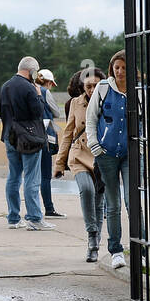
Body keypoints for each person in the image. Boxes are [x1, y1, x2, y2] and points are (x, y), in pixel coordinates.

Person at [55, 67, 107, 262]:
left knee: (99, 202)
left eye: (95, 85)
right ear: (82, 87)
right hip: (79, 156)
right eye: (88, 86)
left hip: (102, 157)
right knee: (87, 190)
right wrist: (59, 163)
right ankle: (92, 235)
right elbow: (68, 133)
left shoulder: (109, 101)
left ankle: (94, 243)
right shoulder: (75, 104)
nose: (92, 89)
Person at [86, 50, 130, 268]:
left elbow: (144, 119)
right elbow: (91, 117)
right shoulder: (103, 88)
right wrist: (95, 145)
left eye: (123, 67)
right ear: (112, 68)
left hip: (130, 155)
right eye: (116, 67)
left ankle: (139, 247)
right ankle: (116, 251)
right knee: (113, 205)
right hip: (106, 154)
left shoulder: (138, 90)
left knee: (134, 201)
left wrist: (140, 145)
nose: (120, 71)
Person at [0, 56, 52, 231]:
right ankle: (34, 218)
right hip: (29, 137)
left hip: (9, 135)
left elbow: (2, 114)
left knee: (13, 176)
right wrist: (39, 95)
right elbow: (38, 112)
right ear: (33, 71)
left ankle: (13, 218)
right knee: (32, 177)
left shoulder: (5, 86)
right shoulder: (30, 88)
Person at [35, 68, 66, 219]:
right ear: (48, 82)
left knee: (32, 175)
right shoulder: (45, 92)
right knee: (45, 176)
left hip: (29, 136)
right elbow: (57, 112)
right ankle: (49, 208)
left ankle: (34, 209)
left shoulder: (29, 89)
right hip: (45, 135)